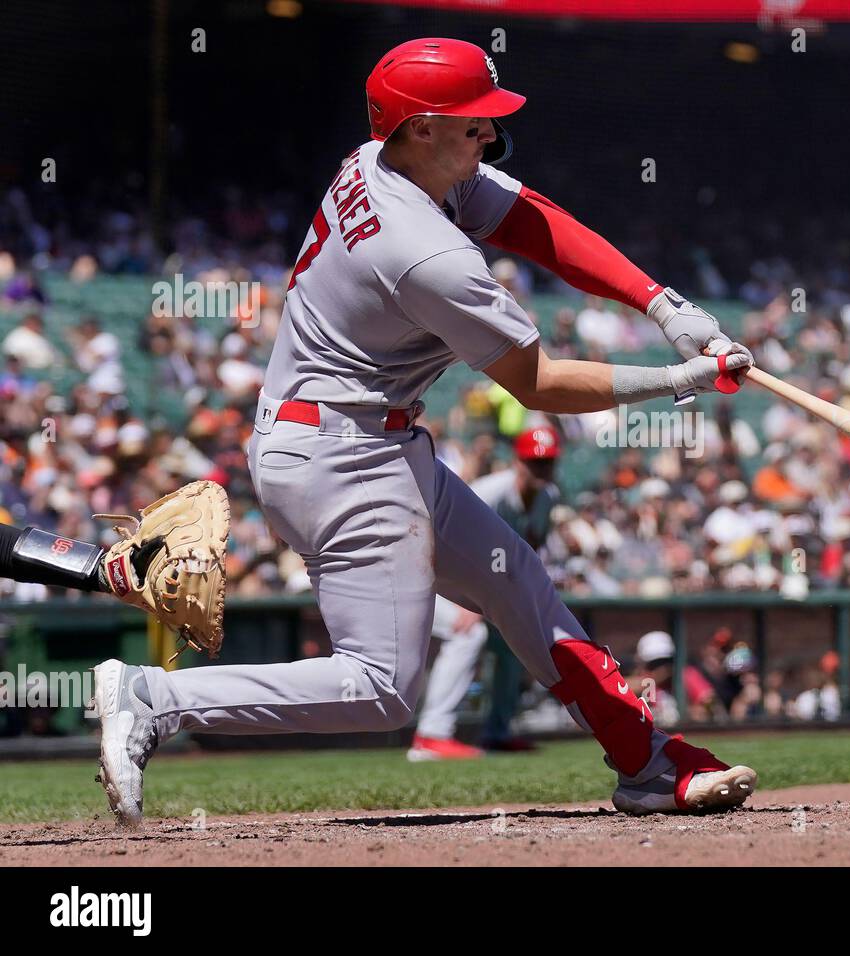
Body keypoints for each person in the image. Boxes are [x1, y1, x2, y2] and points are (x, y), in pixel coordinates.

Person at [91, 37, 758, 825]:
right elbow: (535, 382)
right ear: (419, 128)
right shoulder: (425, 252)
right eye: (471, 123)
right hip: (342, 456)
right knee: (380, 689)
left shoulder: (383, 161)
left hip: (358, 438)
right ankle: (155, 697)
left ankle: (645, 763)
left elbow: (532, 221)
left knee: (517, 583)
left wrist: (661, 304)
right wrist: (677, 380)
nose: (489, 135)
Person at [408, 424, 563, 760]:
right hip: (424, 573)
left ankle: (497, 731)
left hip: (470, 583)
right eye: (535, 462)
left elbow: (529, 549)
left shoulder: (547, 498)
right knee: (468, 634)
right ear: (517, 462)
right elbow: (436, 533)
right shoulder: (490, 491)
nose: (542, 469)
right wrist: (466, 598)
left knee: (512, 641)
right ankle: (431, 736)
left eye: (548, 462)